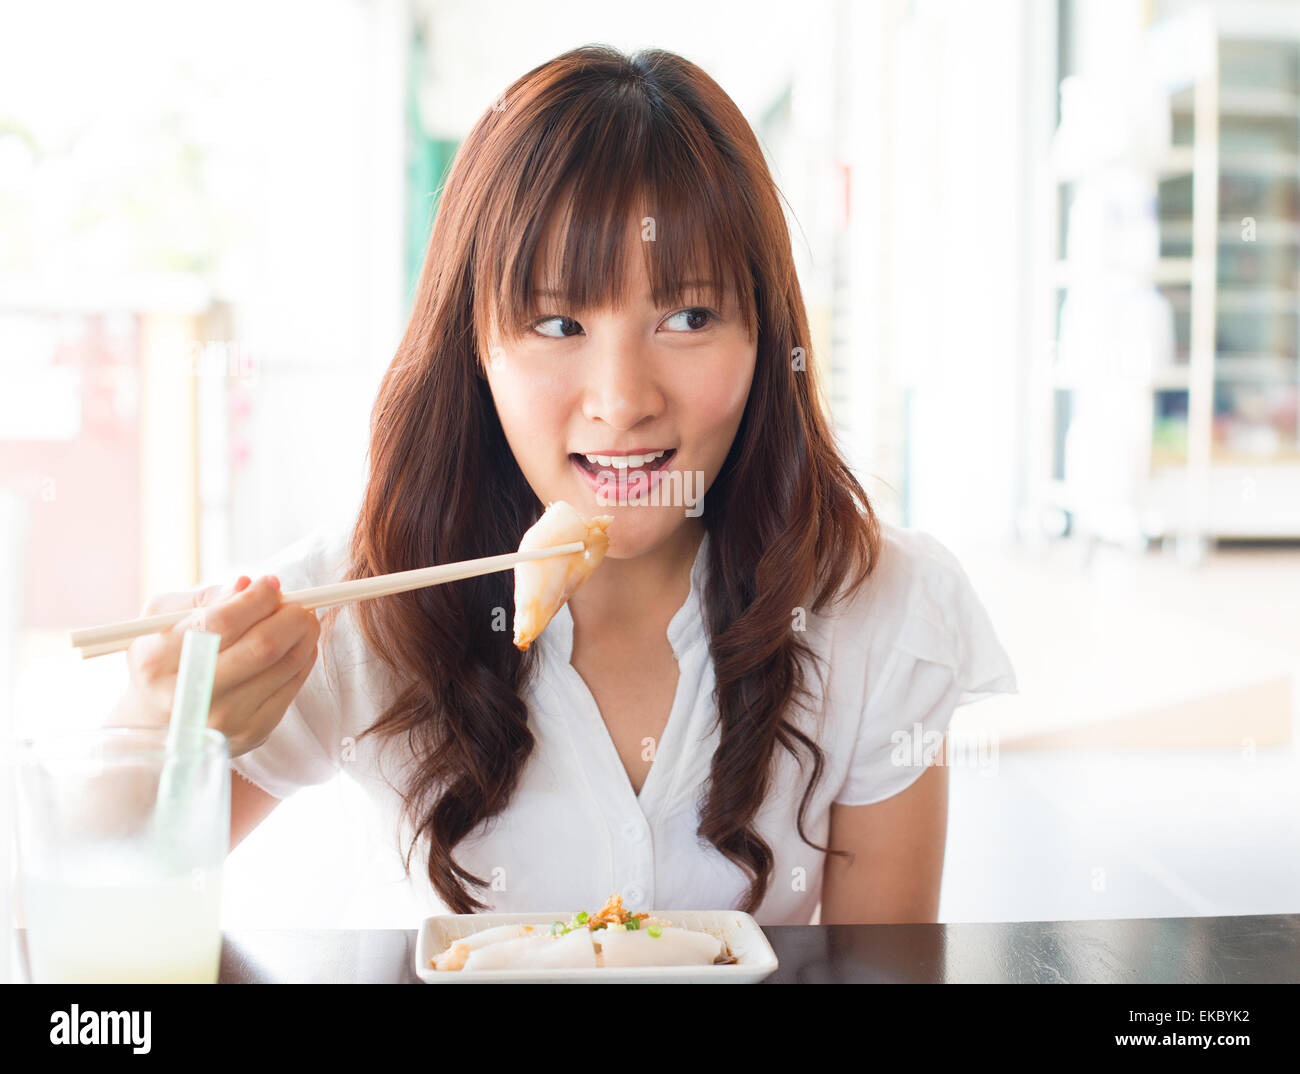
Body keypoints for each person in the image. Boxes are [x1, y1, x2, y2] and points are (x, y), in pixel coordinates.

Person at [112, 45, 1017, 926]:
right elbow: (101, 913)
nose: (622, 402)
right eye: (556, 321)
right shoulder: (357, 600)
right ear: (474, 343)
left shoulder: (884, 610)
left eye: (688, 315)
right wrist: (159, 728)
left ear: (767, 337)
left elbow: (881, 972)